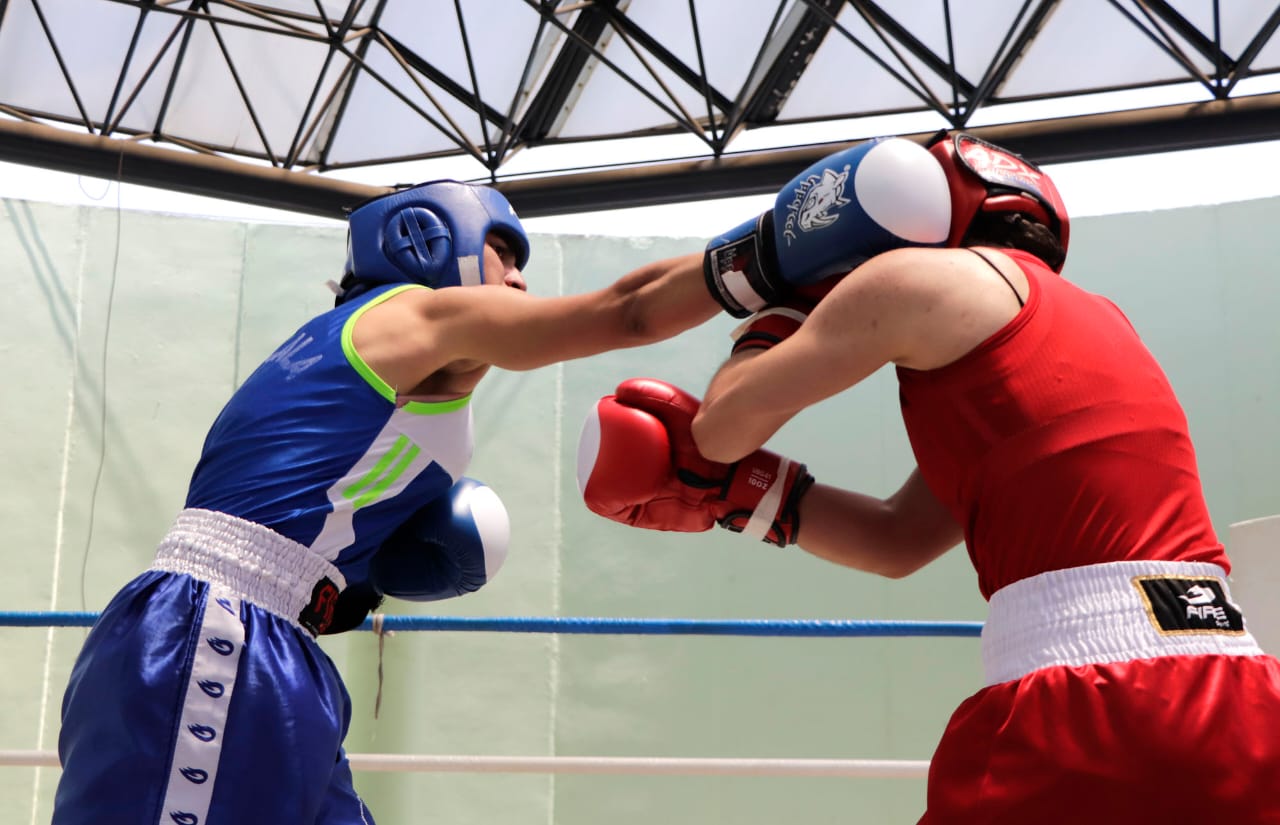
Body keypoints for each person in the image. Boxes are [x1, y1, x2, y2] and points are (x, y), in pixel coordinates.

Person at [577, 132, 1280, 821]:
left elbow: (722, 427)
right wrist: (749, 499)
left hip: (1087, 702)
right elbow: (900, 537)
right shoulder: (1094, 322)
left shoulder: (915, 278)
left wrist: (785, 300)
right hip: (1238, 687)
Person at [51, 179, 724, 825]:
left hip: (266, 644)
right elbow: (629, 310)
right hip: (217, 638)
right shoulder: (415, 314)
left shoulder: (366, 351)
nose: (520, 277)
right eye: (502, 251)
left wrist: (355, 582)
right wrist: (773, 255)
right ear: (432, 242)